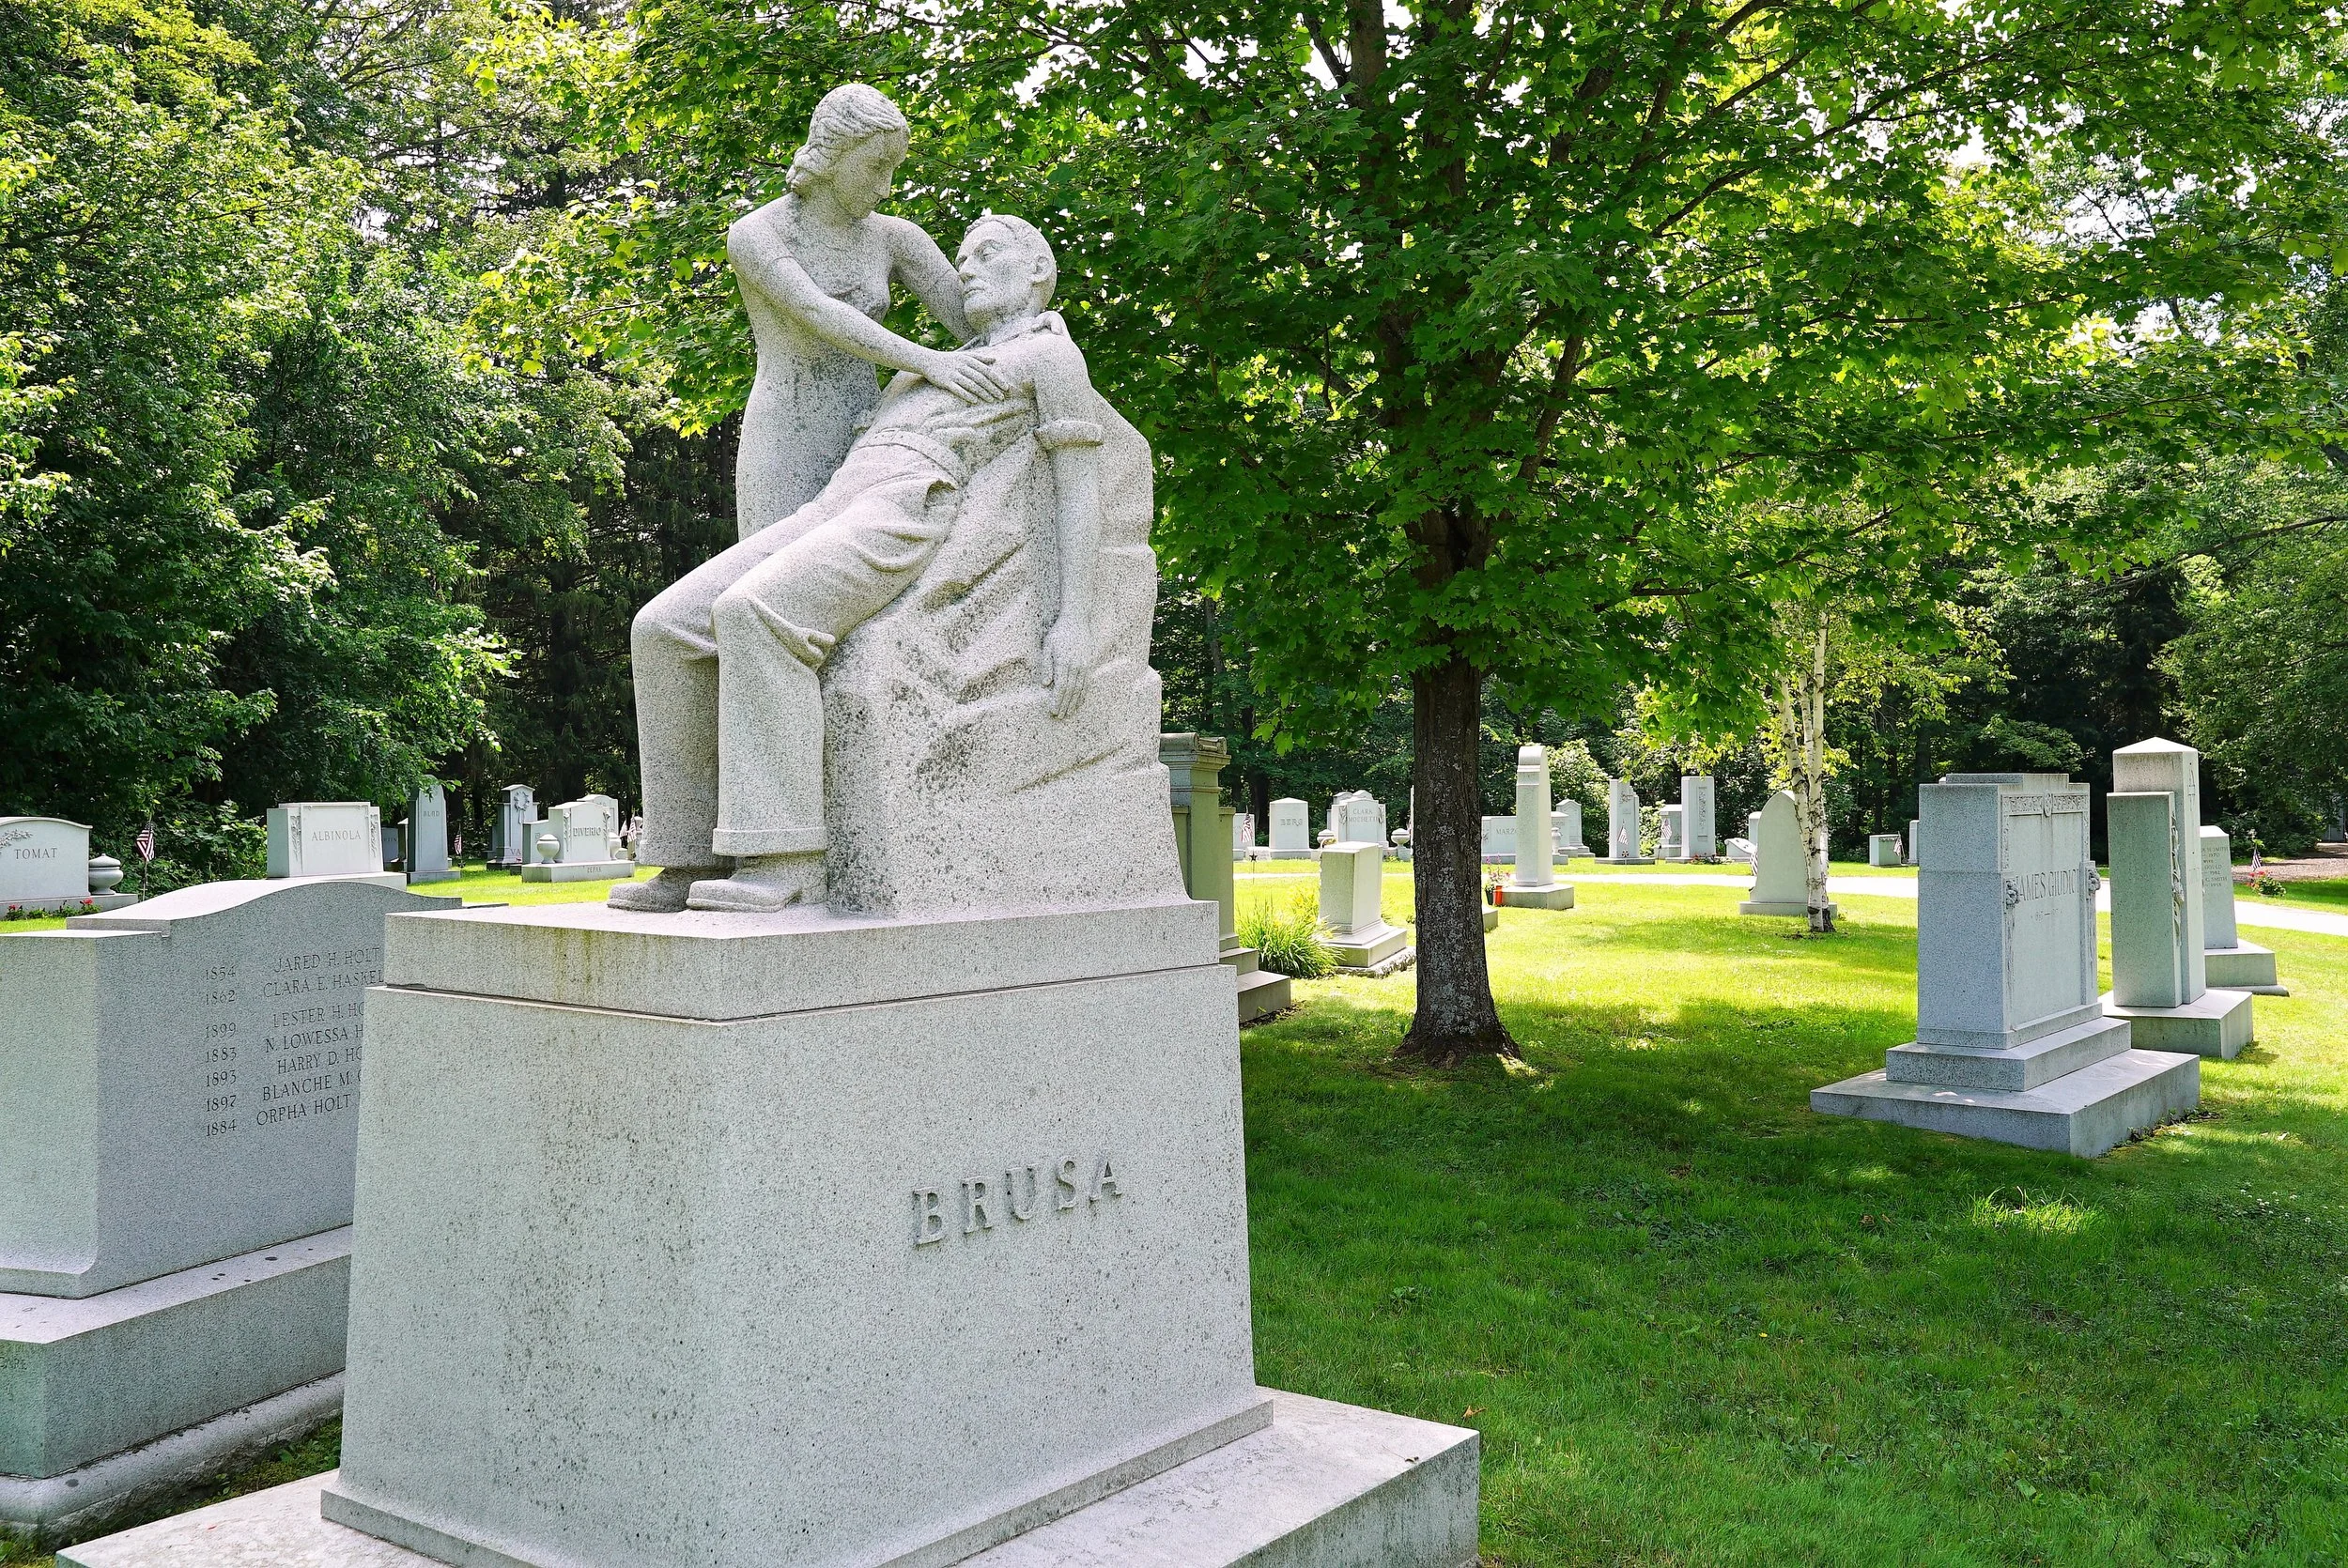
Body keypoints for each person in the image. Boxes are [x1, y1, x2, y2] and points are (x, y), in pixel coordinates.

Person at [620, 210, 1105, 913]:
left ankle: (786, 856)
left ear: (1037, 269)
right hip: (835, 500)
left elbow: (1080, 482)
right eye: (960, 256)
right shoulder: (930, 365)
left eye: (986, 252)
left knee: (755, 611)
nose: (963, 267)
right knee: (663, 627)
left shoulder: (1050, 355)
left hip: (906, 504)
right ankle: (687, 858)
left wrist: (1073, 622)